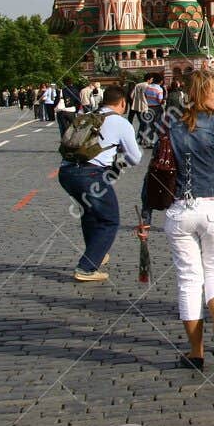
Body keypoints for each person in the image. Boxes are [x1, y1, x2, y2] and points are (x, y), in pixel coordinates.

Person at [158, 70, 214, 369]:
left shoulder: (171, 128)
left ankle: (196, 352)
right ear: (200, 92)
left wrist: (143, 214)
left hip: (181, 209)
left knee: (189, 280)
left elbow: (158, 171)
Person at [57, 86, 142, 282]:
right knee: (109, 220)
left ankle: (97, 254)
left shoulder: (88, 115)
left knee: (90, 214)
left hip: (67, 172)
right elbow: (135, 157)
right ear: (122, 103)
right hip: (91, 174)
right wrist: (118, 162)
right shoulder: (121, 122)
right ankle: (86, 267)